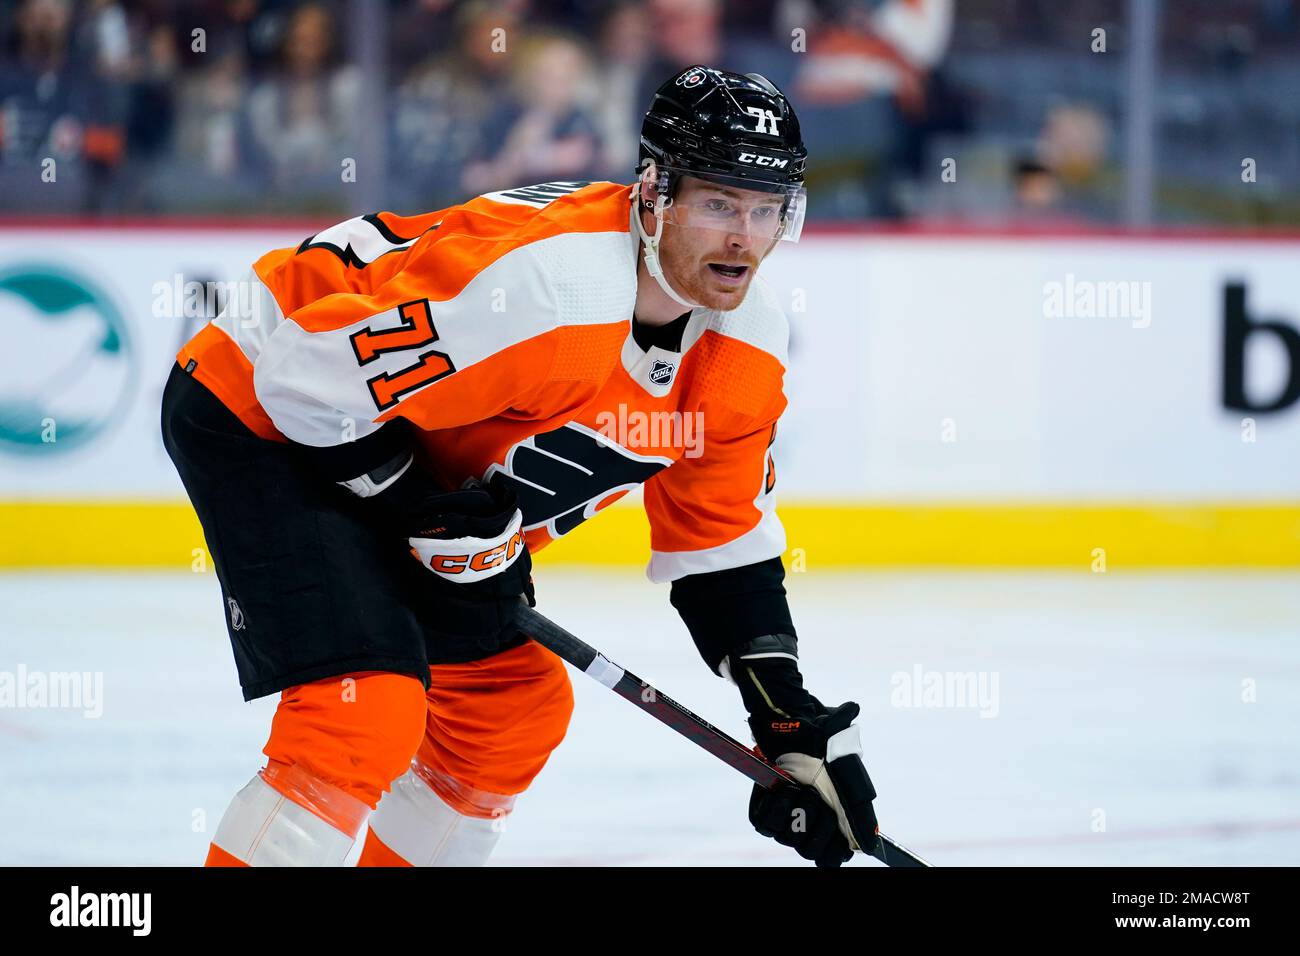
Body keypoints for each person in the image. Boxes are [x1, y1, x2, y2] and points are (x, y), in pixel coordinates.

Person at [162, 65, 881, 868]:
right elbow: (301, 378)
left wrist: (783, 716)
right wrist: (421, 506)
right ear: (654, 194)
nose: (744, 238)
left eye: (766, 209)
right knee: (366, 706)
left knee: (510, 713)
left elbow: (721, 543)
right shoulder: (551, 289)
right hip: (259, 402)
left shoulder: (744, 345)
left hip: (392, 449)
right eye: (717, 203)